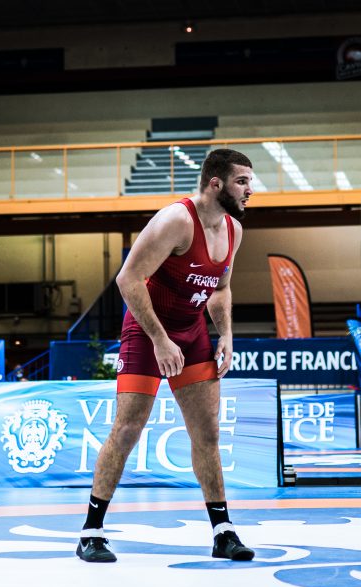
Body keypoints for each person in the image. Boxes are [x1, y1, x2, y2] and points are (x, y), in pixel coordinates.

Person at [79, 148, 253, 564]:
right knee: (127, 429)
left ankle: (223, 531)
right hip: (146, 331)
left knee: (207, 435)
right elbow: (128, 279)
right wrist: (159, 339)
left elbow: (220, 289)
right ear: (215, 184)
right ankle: (91, 531)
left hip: (191, 333)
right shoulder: (176, 220)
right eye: (242, 181)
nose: (251, 190)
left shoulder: (233, 230)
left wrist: (225, 333)